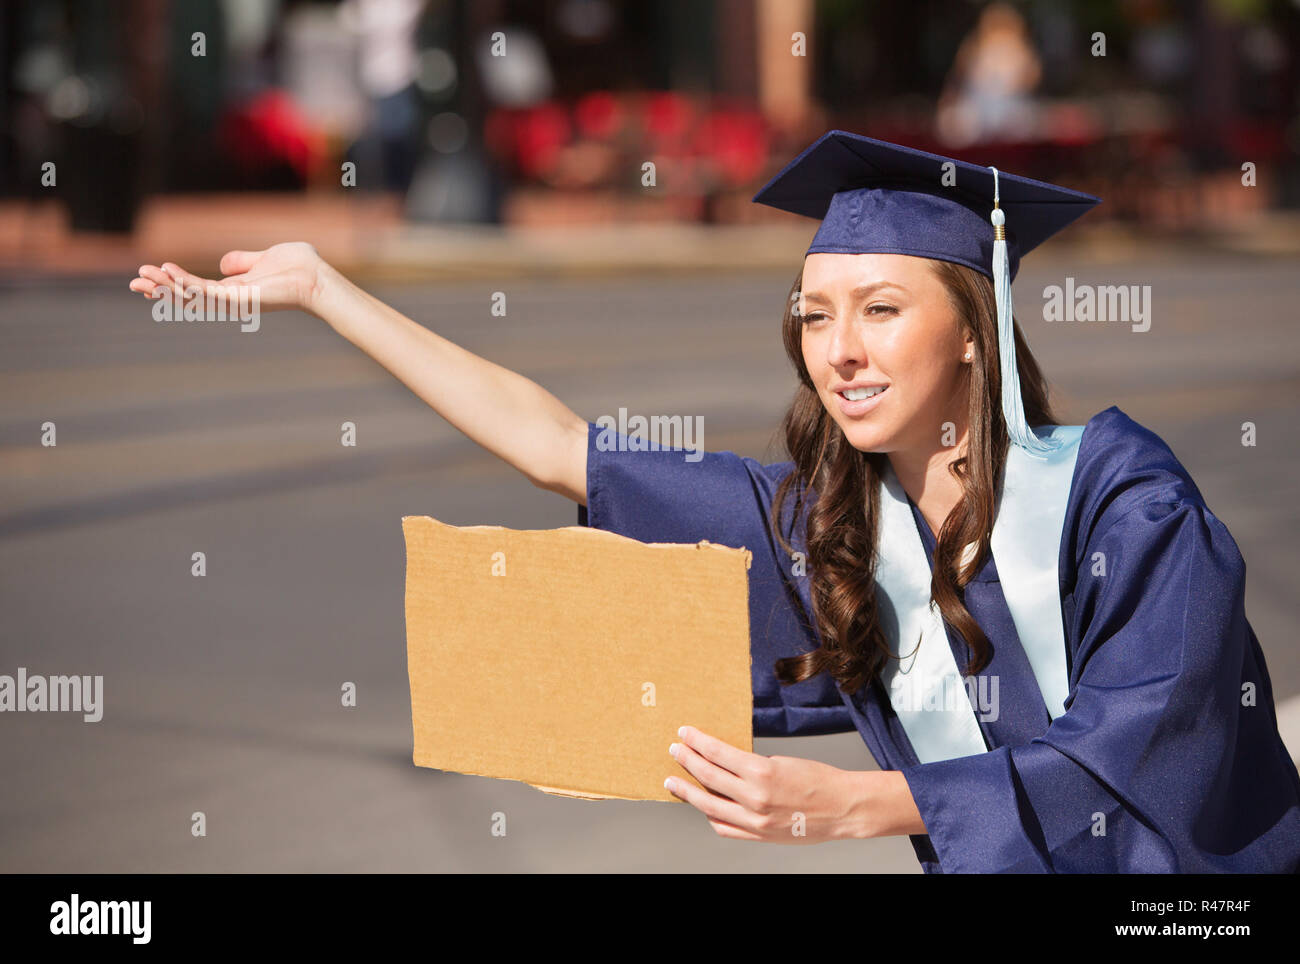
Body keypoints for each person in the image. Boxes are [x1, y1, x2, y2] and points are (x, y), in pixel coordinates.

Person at [128, 130, 1300, 873]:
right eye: (814, 313)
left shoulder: (1125, 507)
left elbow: (1145, 748)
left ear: (975, 335)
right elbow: (557, 447)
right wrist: (330, 291)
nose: (837, 348)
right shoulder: (834, 533)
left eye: (881, 309)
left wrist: (857, 805)